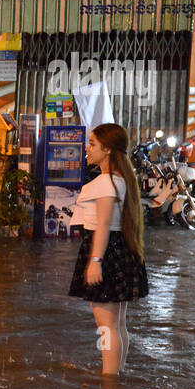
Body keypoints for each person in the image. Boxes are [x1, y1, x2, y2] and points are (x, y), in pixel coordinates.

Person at [68, 123, 149, 376]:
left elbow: (102, 225)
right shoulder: (121, 180)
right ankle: (117, 374)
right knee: (116, 324)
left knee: (106, 327)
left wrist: (95, 260)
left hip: (105, 253)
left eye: (92, 144)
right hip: (121, 251)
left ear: (107, 149)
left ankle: (108, 384)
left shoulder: (105, 183)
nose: (87, 149)